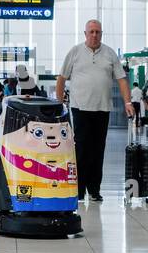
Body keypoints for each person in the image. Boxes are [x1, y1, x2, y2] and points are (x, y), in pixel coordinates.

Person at [56, 19, 134, 202]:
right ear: (85, 33)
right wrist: (59, 105)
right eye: (91, 32)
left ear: (101, 34)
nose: (94, 35)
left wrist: (128, 102)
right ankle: (79, 189)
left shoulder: (109, 54)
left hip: (102, 109)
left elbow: (122, 79)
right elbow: (61, 78)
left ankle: (94, 189)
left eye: (97, 32)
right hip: (80, 108)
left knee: (98, 150)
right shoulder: (75, 52)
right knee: (82, 149)